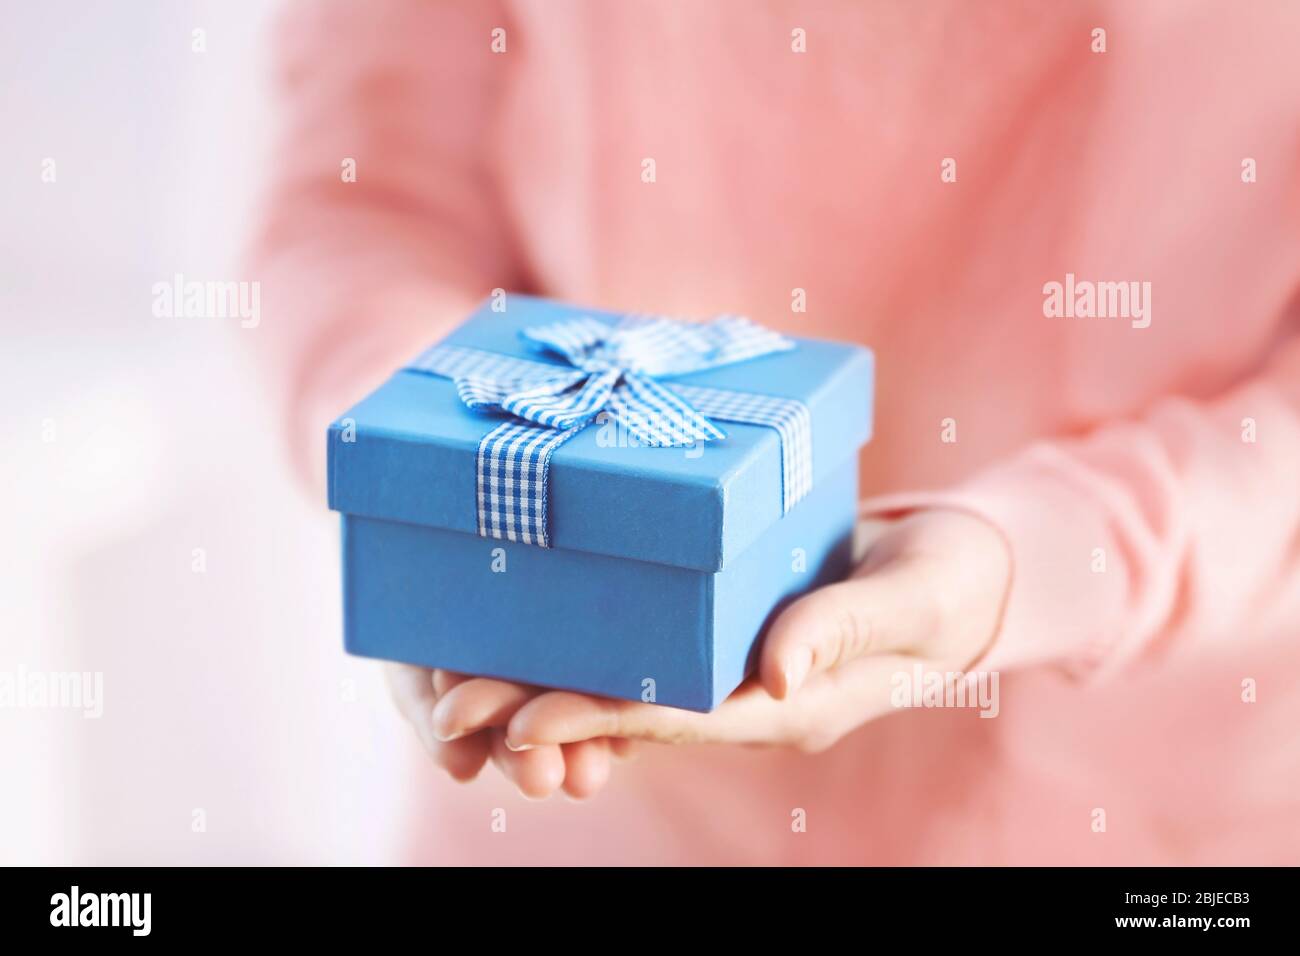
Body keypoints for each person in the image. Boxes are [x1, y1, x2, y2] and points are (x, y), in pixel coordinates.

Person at [250, 0, 1300, 864]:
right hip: (575, 790)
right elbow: (369, 202)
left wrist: (1054, 554)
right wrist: (419, 498)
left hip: (1143, 809)